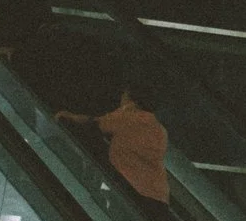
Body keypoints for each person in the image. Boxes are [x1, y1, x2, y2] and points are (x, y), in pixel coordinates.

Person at [41, 27, 169, 203]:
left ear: (131, 99)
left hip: (136, 191)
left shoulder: (130, 116)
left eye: (124, 95)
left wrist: (68, 116)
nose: (120, 100)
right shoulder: (157, 127)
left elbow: (96, 123)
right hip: (158, 193)